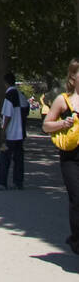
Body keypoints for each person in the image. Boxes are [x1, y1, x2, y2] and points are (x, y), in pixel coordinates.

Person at [42, 59, 79, 253]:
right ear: (73, 77)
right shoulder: (63, 100)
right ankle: (76, 240)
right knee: (77, 199)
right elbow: (46, 125)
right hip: (71, 157)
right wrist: (62, 124)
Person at [0, 72, 29, 191]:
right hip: (20, 132)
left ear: (5, 83)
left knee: (4, 157)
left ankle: (1, 182)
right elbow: (26, 109)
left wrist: (3, 129)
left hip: (11, 133)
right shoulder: (20, 95)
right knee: (18, 158)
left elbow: (7, 114)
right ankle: (18, 182)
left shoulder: (9, 95)